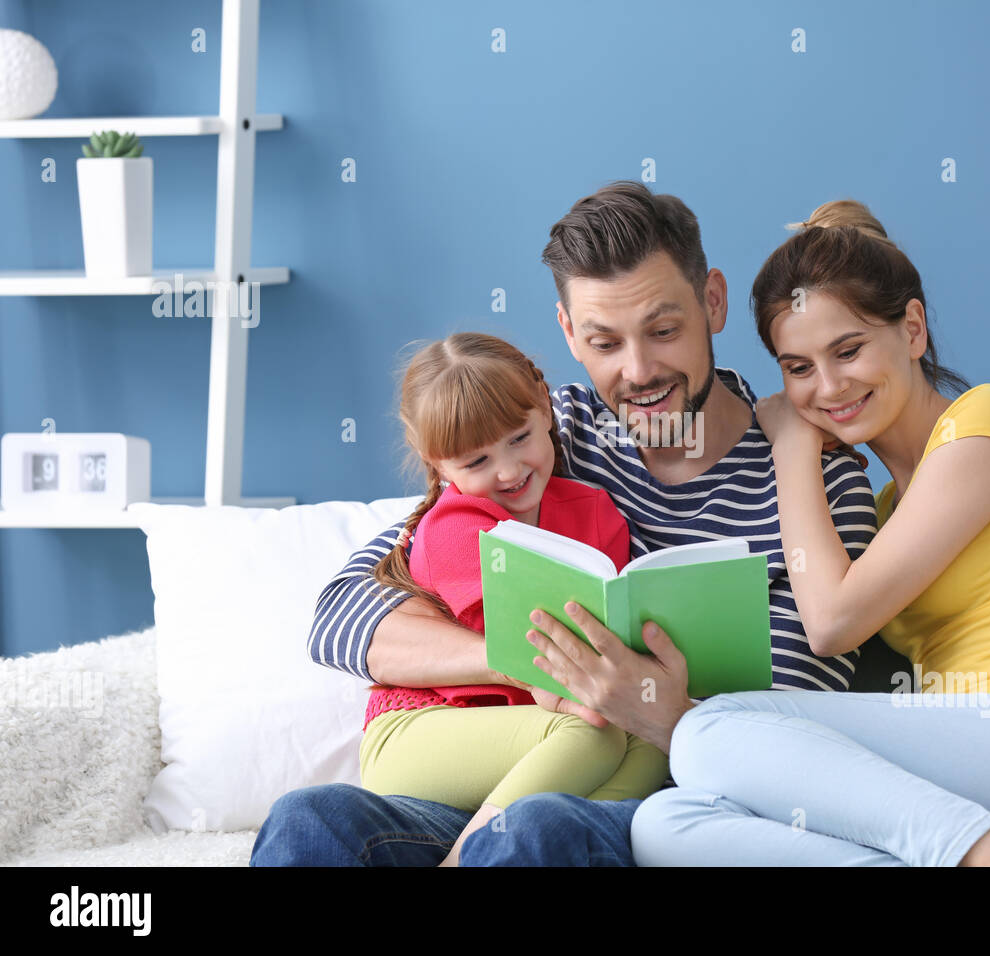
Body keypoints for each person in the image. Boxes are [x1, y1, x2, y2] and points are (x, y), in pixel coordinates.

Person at [249, 181, 877, 867]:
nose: (639, 372)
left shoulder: (816, 478)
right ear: (569, 334)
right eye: (605, 342)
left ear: (713, 302)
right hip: (508, 766)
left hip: (654, 805)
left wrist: (654, 708)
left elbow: (795, 723)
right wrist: (537, 657)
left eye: (664, 331)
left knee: (536, 830)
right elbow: (346, 613)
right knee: (310, 820)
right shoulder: (544, 433)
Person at [625, 199, 990, 866]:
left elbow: (830, 621)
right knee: (667, 824)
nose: (827, 386)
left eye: (848, 349)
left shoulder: (988, 422)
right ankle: (986, 856)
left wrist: (793, 445)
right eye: (798, 368)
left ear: (912, 329)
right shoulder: (886, 510)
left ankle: (989, 855)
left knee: (708, 731)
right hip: (987, 767)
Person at [356, 332, 669, 866]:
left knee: (657, 741)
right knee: (593, 736)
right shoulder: (454, 526)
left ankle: (544, 839)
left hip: (536, 738)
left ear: (545, 409)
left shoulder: (594, 511)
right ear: (437, 464)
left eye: (519, 438)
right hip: (419, 732)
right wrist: (584, 701)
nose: (508, 470)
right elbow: (523, 651)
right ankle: (465, 858)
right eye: (476, 461)